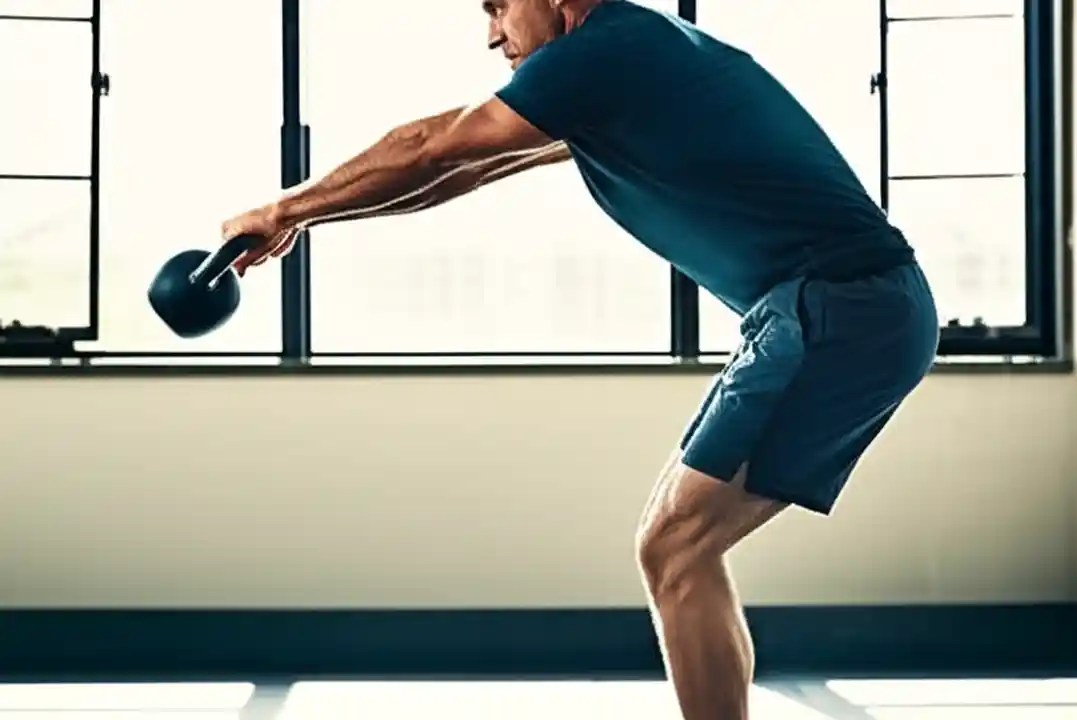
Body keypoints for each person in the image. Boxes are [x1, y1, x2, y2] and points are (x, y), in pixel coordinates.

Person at [220, 1, 940, 717]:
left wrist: (283, 208)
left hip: (840, 308)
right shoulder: (627, 59)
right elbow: (461, 168)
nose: (492, 33)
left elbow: (431, 144)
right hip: (830, 309)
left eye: (499, 6)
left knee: (677, 546)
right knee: (677, 548)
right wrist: (307, 217)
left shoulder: (608, 48)